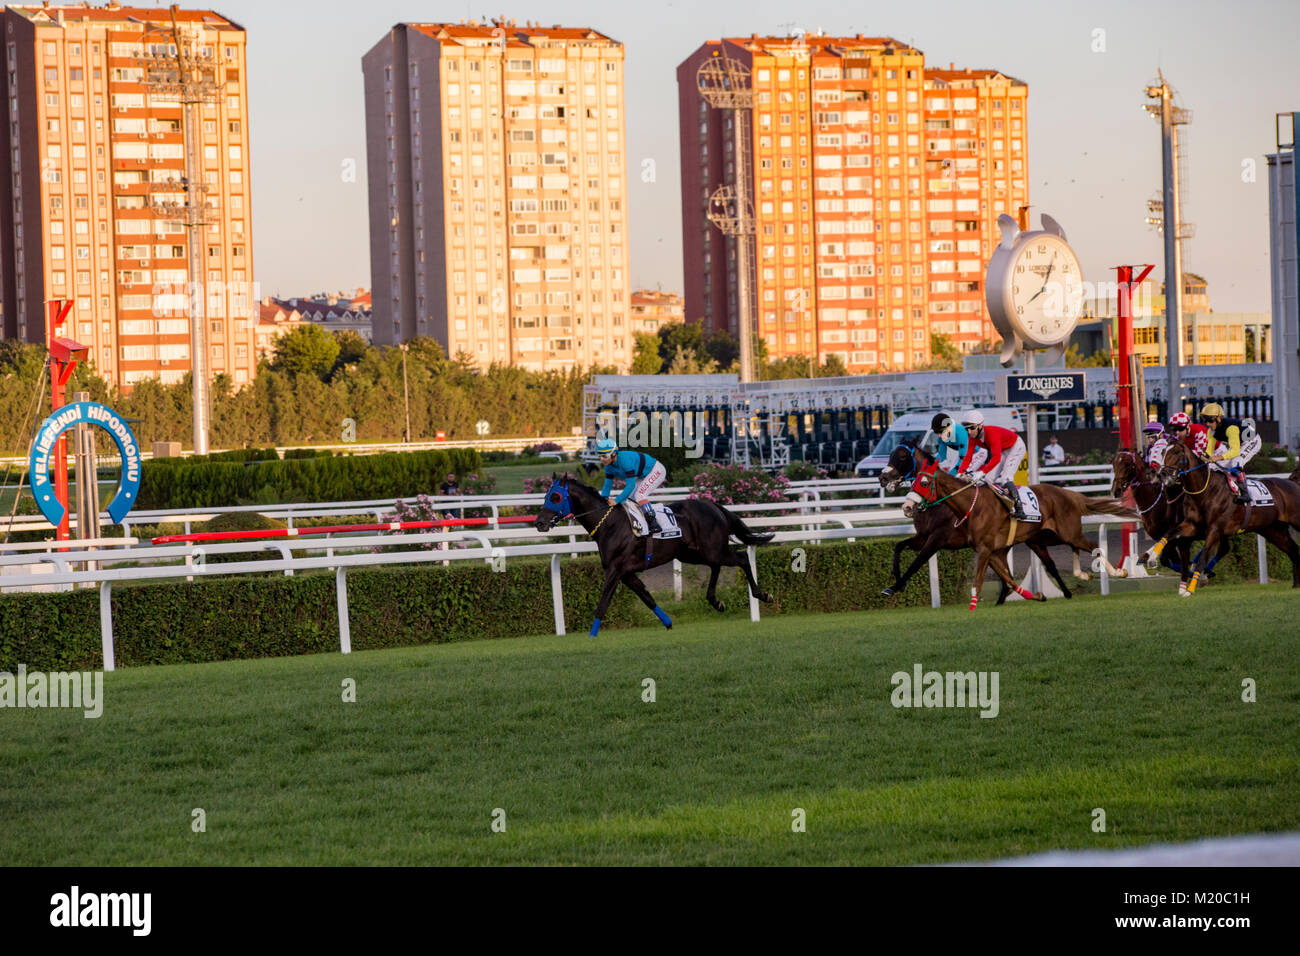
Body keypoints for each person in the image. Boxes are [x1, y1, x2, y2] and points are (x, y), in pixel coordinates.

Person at [961, 410, 1028, 519]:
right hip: (1004, 450)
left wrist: (982, 472)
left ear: (980, 426)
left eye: (971, 428)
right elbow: (968, 457)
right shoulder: (972, 438)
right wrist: (960, 473)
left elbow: (996, 458)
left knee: (1006, 478)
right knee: (988, 479)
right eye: (966, 429)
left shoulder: (991, 434)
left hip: (1016, 447)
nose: (969, 432)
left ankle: (1020, 509)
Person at [595, 437, 667, 534]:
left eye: (604, 456)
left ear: (614, 454)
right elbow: (607, 484)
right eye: (600, 456)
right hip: (643, 474)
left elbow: (631, 485)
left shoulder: (625, 461)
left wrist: (616, 500)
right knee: (629, 499)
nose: (602, 459)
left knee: (639, 495)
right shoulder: (608, 466)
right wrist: (603, 499)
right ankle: (640, 522)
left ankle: (653, 523)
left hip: (656, 470)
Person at [1199, 402, 1261, 505]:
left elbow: (1235, 451)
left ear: (1218, 418)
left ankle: (1245, 494)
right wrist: (1203, 457)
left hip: (1252, 441)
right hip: (1239, 443)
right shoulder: (1211, 431)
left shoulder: (1231, 428)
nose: (1207, 424)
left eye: (1210, 420)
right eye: (1205, 420)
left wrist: (1217, 458)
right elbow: (1209, 451)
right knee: (1211, 466)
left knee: (1236, 462)